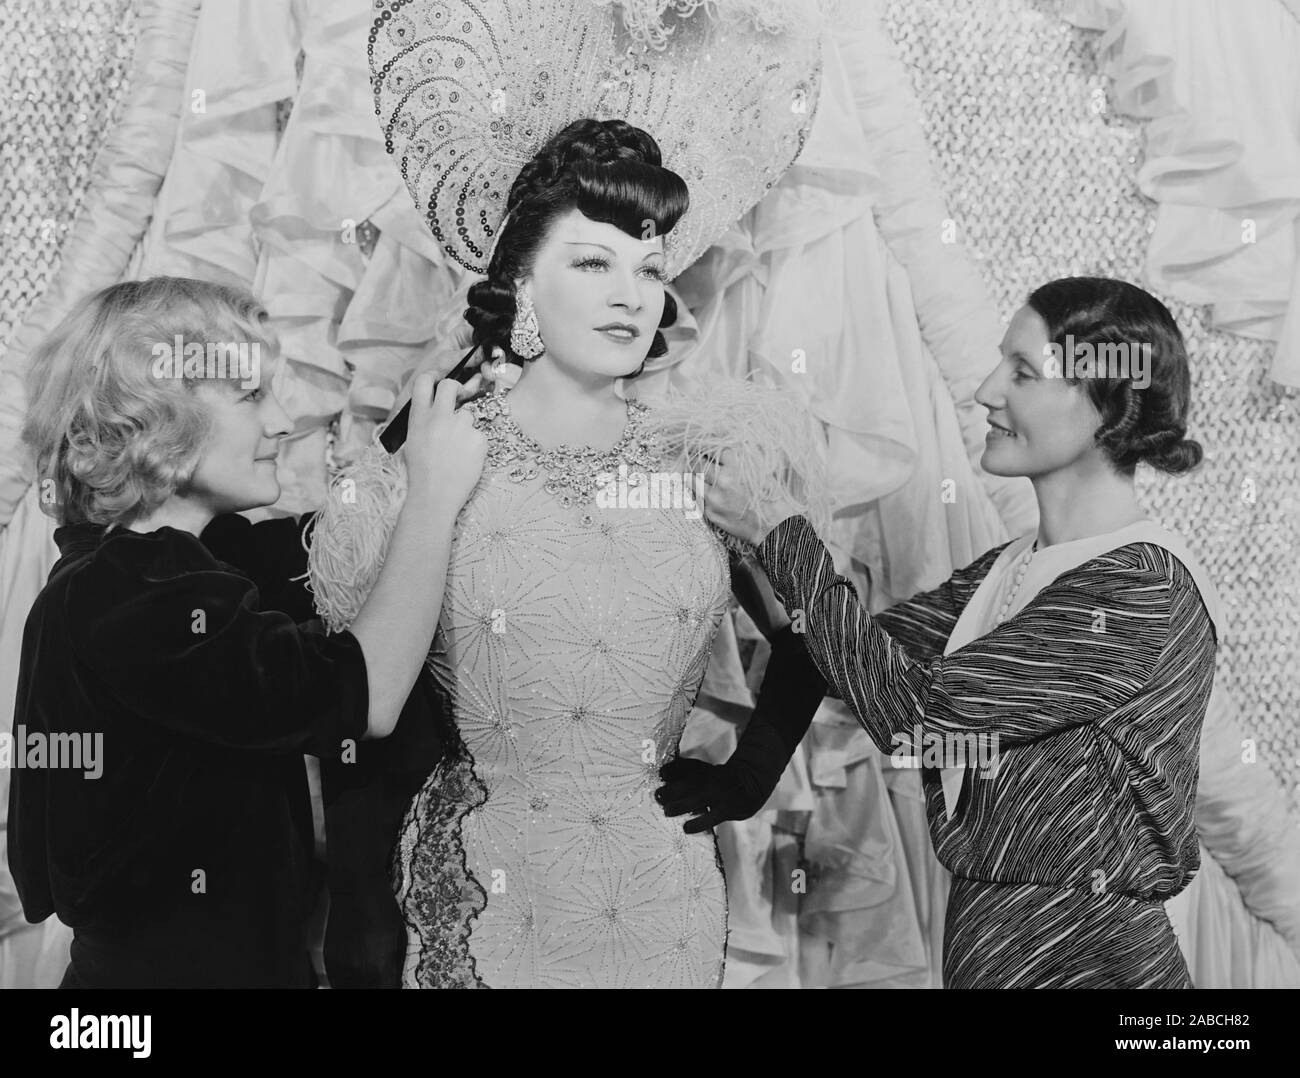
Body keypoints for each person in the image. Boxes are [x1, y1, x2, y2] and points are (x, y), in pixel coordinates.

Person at [309, 118, 827, 988]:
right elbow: (358, 704)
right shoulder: (442, 453)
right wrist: (358, 928)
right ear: (519, 279)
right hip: (479, 889)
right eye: (593, 263)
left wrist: (749, 778)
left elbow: (819, 632)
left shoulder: (703, 458)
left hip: (664, 902)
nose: (632, 296)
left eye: (650, 270)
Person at [702, 276, 1221, 988]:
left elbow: (920, 716)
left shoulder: (1137, 589)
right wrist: (746, 776)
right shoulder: (1013, 571)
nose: (986, 390)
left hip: (1087, 963)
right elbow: (840, 653)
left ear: (1106, 405)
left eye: (1023, 371)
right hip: (991, 951)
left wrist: (779, 534)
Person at [7, 276, 485, 987]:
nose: (285, 420)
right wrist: (435, 499)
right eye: (252, 396)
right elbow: (364, 693)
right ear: (154, 422)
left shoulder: (157, 567)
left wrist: (430, 395)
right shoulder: (134, 597)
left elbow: (322, 544)